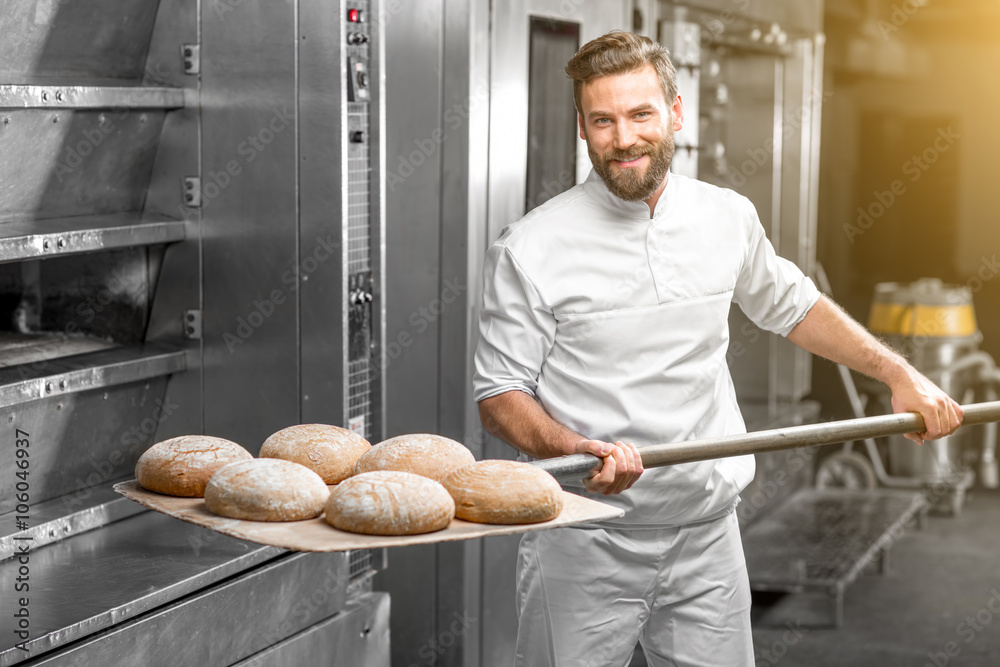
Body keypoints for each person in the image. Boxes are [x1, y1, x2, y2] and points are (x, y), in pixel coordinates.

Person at [472, 31, 963, 667]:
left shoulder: (725, 216)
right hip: (584, 538)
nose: (624, 138)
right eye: (603, 120)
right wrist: (573, 449)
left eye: (641, 114)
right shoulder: (529, 247)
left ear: (676, 112)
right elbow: (500, 394)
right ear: (583, 126)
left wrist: (898, 374)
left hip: (706, 536)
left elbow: (796, 307)